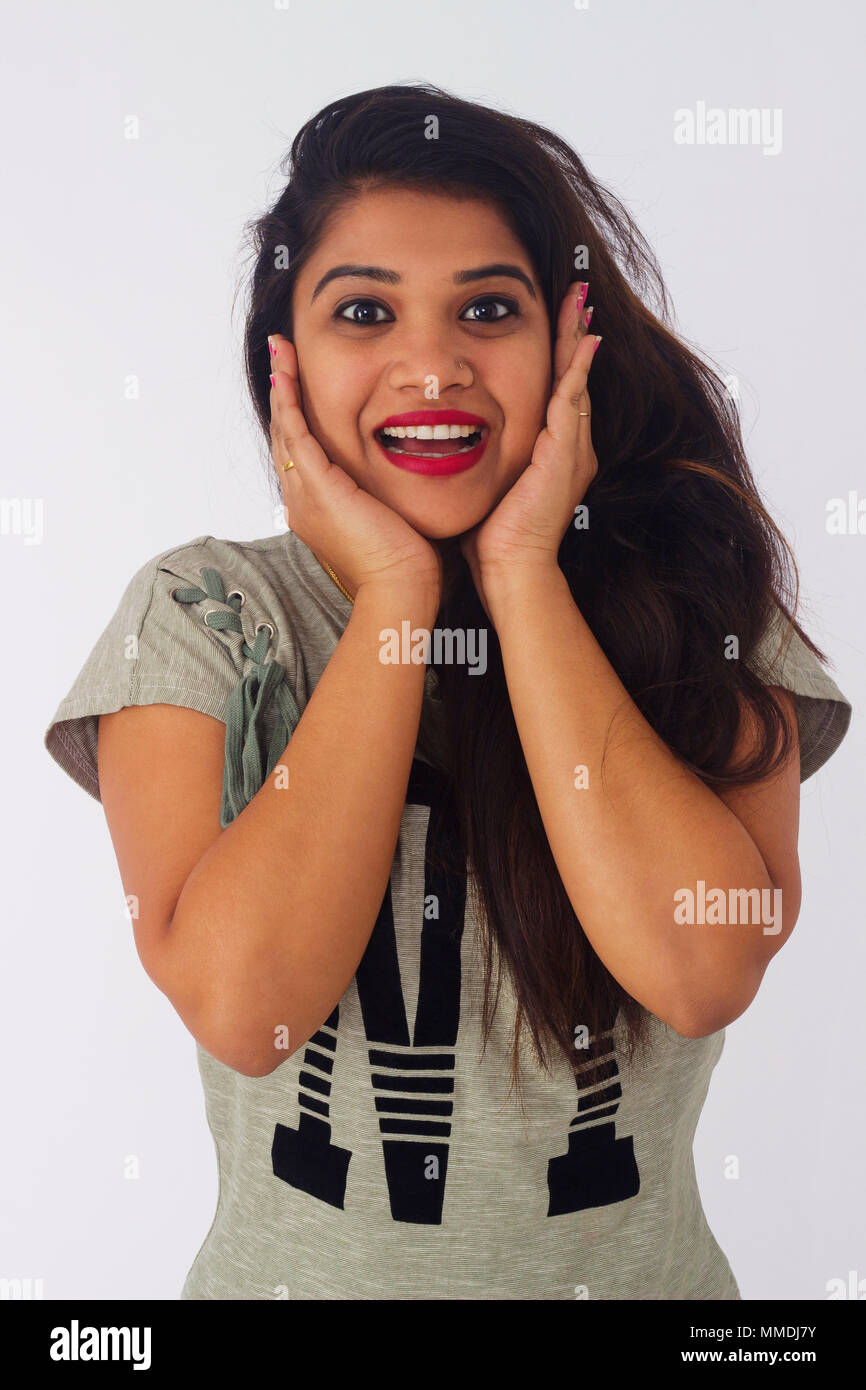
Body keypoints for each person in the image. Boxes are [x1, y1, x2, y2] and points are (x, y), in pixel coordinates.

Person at [43, 82, 851, 1300]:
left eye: (487, 309)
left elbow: (701, 971)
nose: (432, 368)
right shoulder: (206, 617)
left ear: (568, 342)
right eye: (363, 311)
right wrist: (392, 600)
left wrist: (520, 573)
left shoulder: (701, 609)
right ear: (287, 361)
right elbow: (244, 1007)